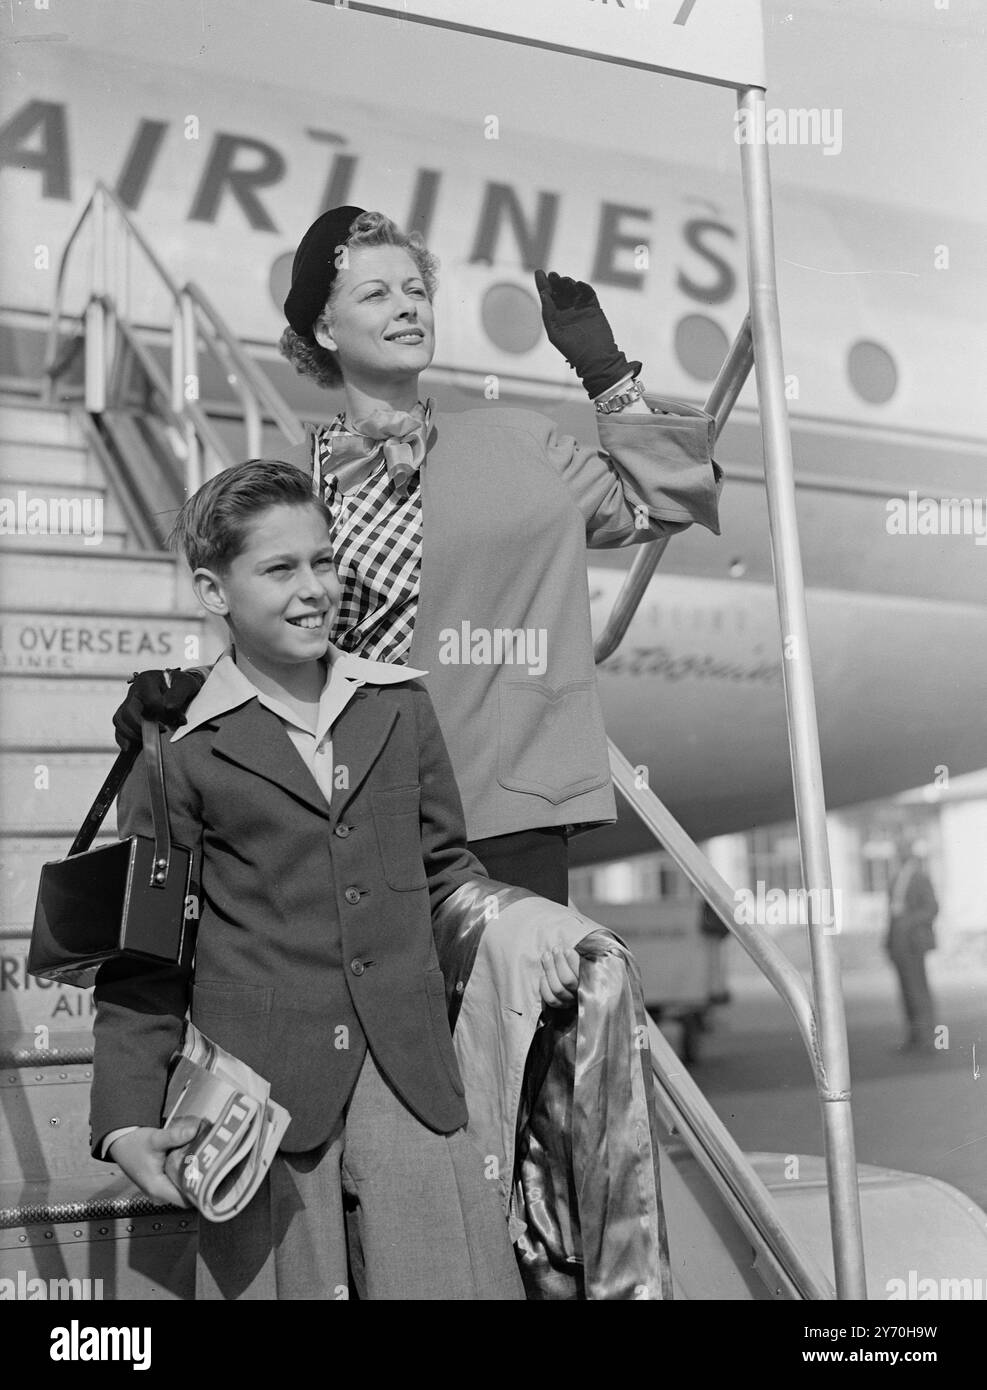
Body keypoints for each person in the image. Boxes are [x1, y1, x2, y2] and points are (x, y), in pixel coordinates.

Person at [114, 206, 723, 906]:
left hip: (507, 804)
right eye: (376, 294)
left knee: (514, 1009)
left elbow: (668, 498)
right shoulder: (284, 483)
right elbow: (272, 642)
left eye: (415, 291)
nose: (406, 308)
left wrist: (606, 373)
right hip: (342, 809)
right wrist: (192, 696)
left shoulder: (522, 445)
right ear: (323, 328)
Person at [90, 459, 572, 1300]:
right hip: (260, 1101)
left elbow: (446, 872)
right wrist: (128, 1117)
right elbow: (146, 949)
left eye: (324, 561)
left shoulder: (399, 706)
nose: (315, 588)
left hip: (409, 1071)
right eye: (280, 569)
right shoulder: (180, 747)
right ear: (214, 590)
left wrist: (539, 929)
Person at [884, 838, 939, 1053]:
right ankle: (914, 1037)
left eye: (903, 849)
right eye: (899, 849)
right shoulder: (896, 877)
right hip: (898, 941)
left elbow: (932, 908)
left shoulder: (920, 876)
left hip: (914, 941)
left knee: (918, 990)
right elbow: (891, 913)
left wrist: (908, 921)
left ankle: (929, 1038)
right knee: (906, 991)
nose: (900, 853)